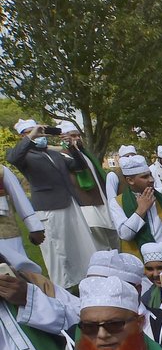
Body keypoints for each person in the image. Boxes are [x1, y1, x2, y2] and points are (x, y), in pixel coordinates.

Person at [7, 120, 97, 290]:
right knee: (58, 252)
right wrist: (33, 134)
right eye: (34, 132)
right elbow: (13, 157)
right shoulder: (25, 156)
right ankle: (62, 287)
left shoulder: (55, 154)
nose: (40, 135)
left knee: (81, 245)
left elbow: (79, 165)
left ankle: (87, 277)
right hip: (49, 208)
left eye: (41, 132)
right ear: (23, 136)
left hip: (70, 203)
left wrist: (71, 147)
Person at [58, 122, 118, 252]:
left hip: (103, 202)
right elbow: (78, 166)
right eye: (73, 136)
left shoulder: (85, 153)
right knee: (101, 244)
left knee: (115, 240)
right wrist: (71, 148)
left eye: (78, 135)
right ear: (64, 138)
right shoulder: (63, 155)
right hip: (89, 206)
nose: (78, 138)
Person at [109, 155, 162, 259]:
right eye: (144, 177)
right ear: (130, 181)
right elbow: (125, 235)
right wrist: (141, 210)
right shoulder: (117, 203)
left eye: (150, 175)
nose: (151, 180)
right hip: (139, 263)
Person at [0, 164, 45, 265]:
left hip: (6, 232)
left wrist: (35, 228)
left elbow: (19, 197)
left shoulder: (2, 171)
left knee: (16, 268)